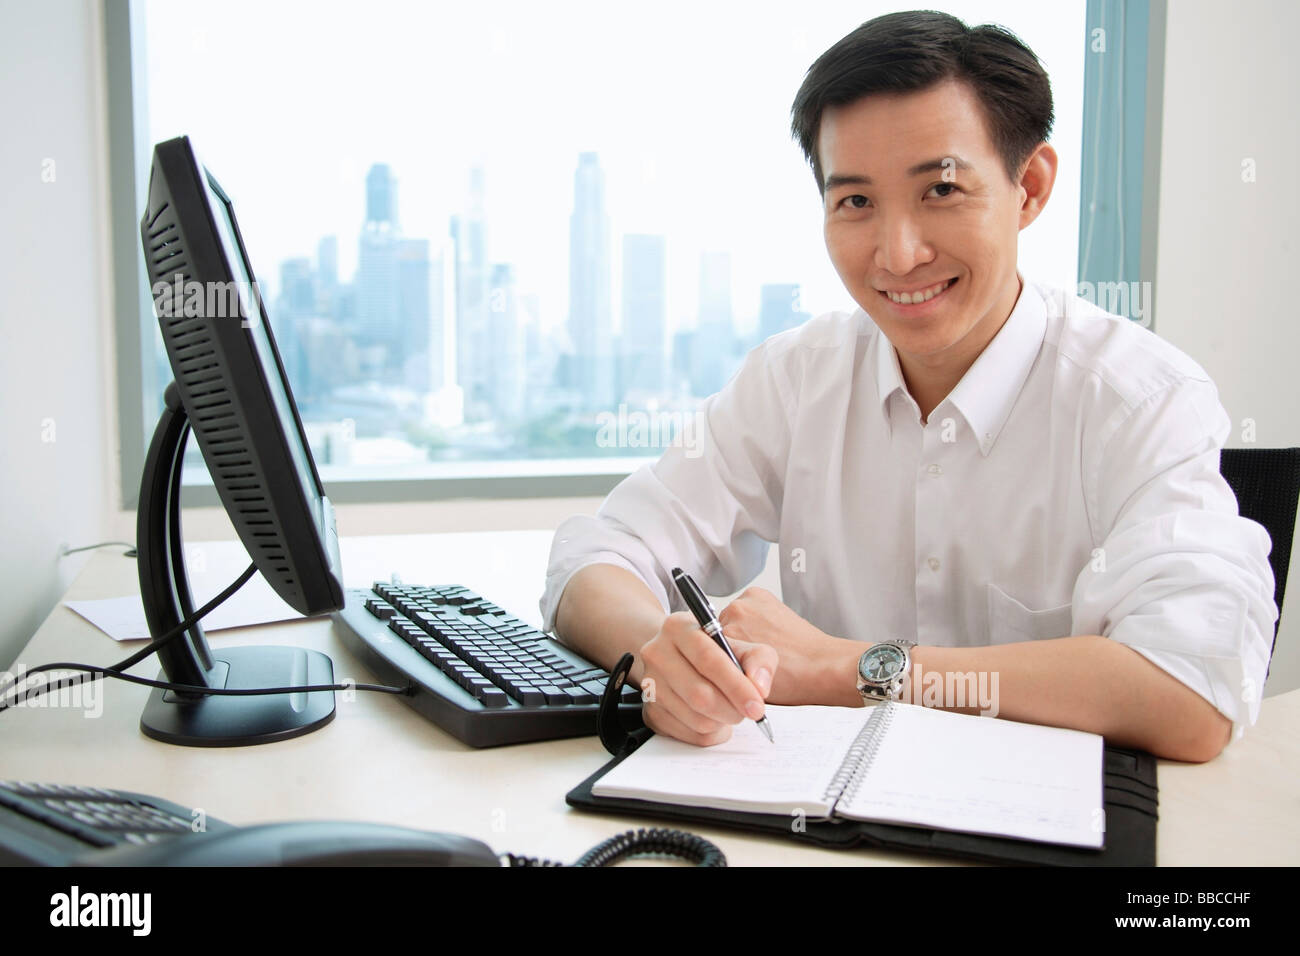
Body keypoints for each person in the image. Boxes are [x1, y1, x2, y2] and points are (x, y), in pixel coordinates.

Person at [539, 10, 1277, 762]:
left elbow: (1193, 692)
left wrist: (848, 668)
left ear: (1030, 187)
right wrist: (659, 654)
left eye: (941, 191)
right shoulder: (797, 378)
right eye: (856, 202)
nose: (898, 254)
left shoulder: (1140, 400)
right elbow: (596, 553)